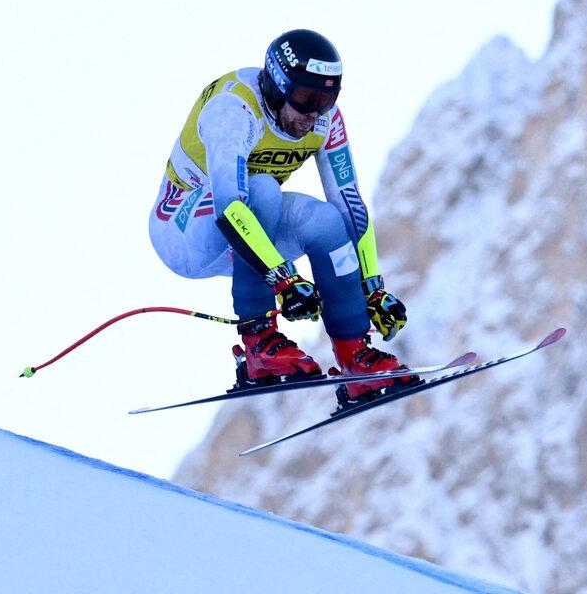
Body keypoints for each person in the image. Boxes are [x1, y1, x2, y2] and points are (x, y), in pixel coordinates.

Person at [147, 28, 415, 406]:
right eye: (306, 99)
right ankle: (260, 345)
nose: (313, 114)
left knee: (328, 222)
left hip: (251, 235)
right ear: (276, 85)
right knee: (262, 190)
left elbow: (349, 201)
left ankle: (356, 360)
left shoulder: (325, 121)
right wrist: (283, 278)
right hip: (185, 229)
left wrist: (373, 286)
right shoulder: (235, 109)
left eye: (326, 99)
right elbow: (231, 206)